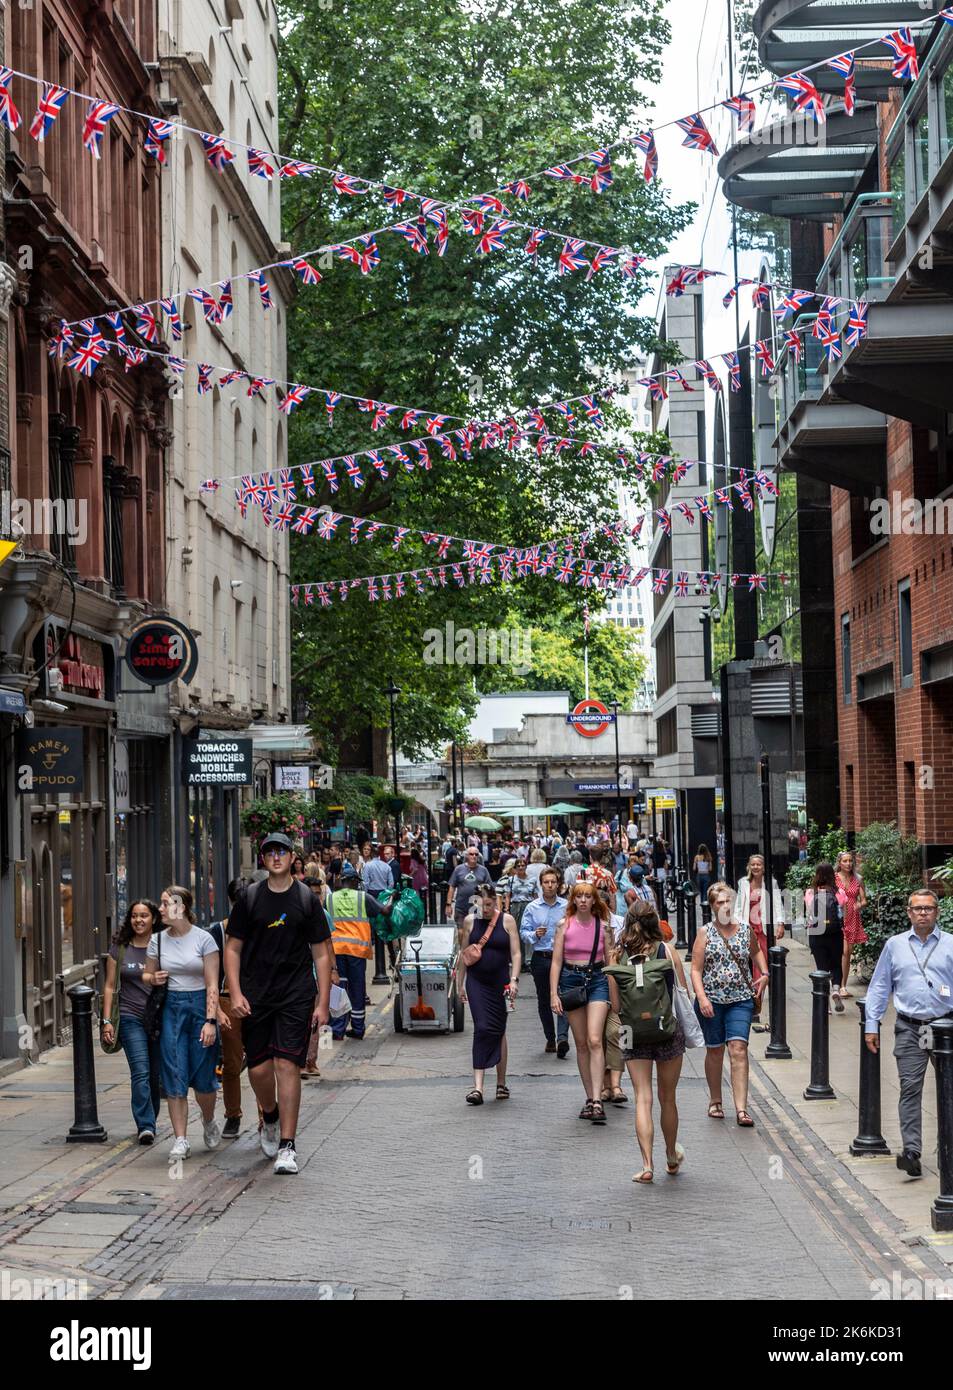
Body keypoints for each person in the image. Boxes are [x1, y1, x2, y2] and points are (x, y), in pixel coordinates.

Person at [224, 832, 333, 1176]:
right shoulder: (250, 899)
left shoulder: (306, 899)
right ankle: (268, 1115)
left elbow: (321, 954)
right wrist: (236, 993)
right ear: (263, 859)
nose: (276, 857)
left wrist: (323, 1003)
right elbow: (232, 948)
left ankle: (288, 1144)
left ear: (292, 858)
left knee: (287, 1064)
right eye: (269, 852)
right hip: (256, 995)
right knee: (257, 1069)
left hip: (295, 994)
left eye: (281, 852)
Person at [864, 889, 953, 1177]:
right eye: (918, 908)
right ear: (909, 912)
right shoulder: (895, 945)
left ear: (937, 912)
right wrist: (871, 1024)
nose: (923, 913)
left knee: (949, 1092)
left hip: (946, 1029)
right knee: (910, 1089)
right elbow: (879, 986)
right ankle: (912, 1152)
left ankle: (948, 1150)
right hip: (910, 1028)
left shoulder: (951, 944)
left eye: (928, 908)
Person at [609, 900, 689, 1182]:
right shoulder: (666, 950)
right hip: (666, 1029)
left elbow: (616, 1006)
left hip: (632, 1032)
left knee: (643, 1098)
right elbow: (682, 993)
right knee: (668, 1098)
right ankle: (670, 1154)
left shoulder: (617, 955)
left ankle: (646, 1165)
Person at [143, 886, 223, 1159]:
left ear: (182, 907)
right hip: (171, 1010)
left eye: (166, 904)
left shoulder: (204, 939)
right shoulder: (158, 941)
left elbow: (212, 982)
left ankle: (209, 1118)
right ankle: (180, 1139)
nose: (161, 909)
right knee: (174, 1074)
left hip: (200, 1007)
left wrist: (210, 1020)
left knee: (203, 1079)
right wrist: (153, 979)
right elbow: (146, 975)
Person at [691, 882, 767, 1128]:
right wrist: (702, 998)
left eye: (727, 901)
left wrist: (764, 974)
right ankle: (715, 1100)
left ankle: (741, 1109)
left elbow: (755, 953)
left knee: (738, 1049)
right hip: (711, 1000)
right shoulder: (704, 933)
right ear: (712, 906)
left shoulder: (745, 930)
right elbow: (695, 970)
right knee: (715, 1050)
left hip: (741, 999)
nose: (724, 906)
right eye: (719, 902)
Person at [550, 882, 612, 1124]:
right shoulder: (563, 926)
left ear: (594, 900)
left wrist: (615, 997)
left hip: (597, 979)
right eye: (580, 896)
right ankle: (589, 1097)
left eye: (588, 896)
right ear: (574, 900)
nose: (584, 900)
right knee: (581, 1043)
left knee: (595, 1039)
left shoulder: (604, 927)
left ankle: (597, 1099)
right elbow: (556, 962)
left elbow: (610, 962)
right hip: (571, 980)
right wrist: (554, 994)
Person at [101, 899, 162, 1144]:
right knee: (140, 1071)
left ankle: (151, 1117)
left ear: (153, 919)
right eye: (135, 916)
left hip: (157, 1018)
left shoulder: (162, 947)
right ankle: (145, 1124)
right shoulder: (120, 948)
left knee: (155, 1075)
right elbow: (109, 986)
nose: (139, 920)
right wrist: (107, 1021)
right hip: (129, 1017)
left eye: (144, 916)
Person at [458, 882, 521, 1105]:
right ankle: (478, 1088)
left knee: (499, 1030)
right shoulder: (469, 922)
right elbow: (463, 955)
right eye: (481, 904)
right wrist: (459, 985)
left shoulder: (507, 921)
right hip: (477, 982)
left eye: (489, 904)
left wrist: (513, 980)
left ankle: (501, 1083)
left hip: (501, 984)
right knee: (482, 1027)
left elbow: (516, 953)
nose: (485, 909)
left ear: (496, 901)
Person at [325, 863, 391, 1040]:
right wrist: (393, 899)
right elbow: (385, 911)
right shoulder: (363, 897)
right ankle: (358, 1028)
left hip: (336, 950)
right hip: (356, 951)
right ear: (354, 881)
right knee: (357, 987)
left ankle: (337, 1030)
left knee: (339, 989)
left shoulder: (330, 899)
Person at [208, 878, 252, 1136]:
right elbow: (210, 977)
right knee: (232, 1065)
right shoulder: (218, 932)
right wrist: (217, 1010)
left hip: (258, 1000)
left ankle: (266, 1117)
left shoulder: (262, 929)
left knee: (261, 1064)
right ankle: (233, 1115)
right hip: (227, 1000)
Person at [519, 869, 570, 1056]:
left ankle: (562, 1037)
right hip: (541, 958)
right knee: (544, 999)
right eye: (546, 882)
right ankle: (550, 1036)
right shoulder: (532, 907)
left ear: (558, 884)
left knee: (563, 995)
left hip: (563, 957)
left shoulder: (566, 906)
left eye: (553, 882)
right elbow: (523, 932)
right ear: (541, 884)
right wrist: (534, 934)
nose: (550, 885)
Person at [301, 870, 335, 1077]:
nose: (315, 897)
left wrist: (333, 971)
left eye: (318, 893)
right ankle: (304, 1060)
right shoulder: (297, 913)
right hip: (301, 976)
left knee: (318, 1021)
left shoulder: (324, 915)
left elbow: (329, 946)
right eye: (311, 893)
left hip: (317, 975)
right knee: (307, 1021)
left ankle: (310, 1061)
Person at [804, 863, 845, 1013]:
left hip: (816, 935)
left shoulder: (810, 893)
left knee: (821, 968)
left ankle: (825, 1003)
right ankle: (836, 989)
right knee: (836, 965)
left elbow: (809, 913)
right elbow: (842, 915)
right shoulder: (838, 892)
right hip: (835, 934)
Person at [835, 850, 868, 999]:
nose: (848, 864)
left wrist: (859, 905)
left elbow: (864, 900)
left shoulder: (858, 878)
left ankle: (842, 986)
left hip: (853, 917)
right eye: (845, 861)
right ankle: (838, 985)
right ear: (839, 863)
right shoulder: (834, 878)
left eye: (850, 861)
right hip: (838, 917)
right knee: (842, 951)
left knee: (847, 954)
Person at [446, 845, 492, 947]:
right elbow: (452, 887)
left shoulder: (483, 870)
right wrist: (448, 904)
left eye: (476, 854)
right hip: (461, 907)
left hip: (477, 907)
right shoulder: (459, 869)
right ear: (467, 856)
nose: (474, 856)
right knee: (461, 932)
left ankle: (475, 953)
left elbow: (489, 888)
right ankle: (463, 953)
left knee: (475, 933)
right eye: (471, 854)